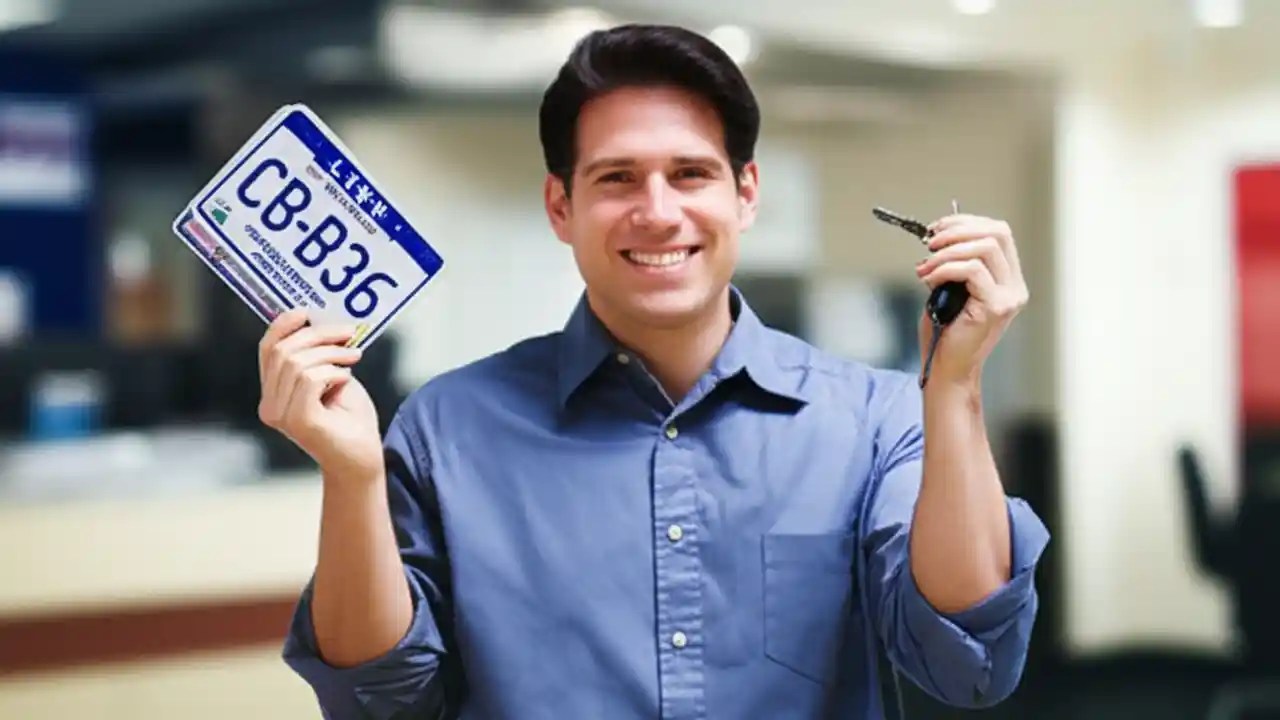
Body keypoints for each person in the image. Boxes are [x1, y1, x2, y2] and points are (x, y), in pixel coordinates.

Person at [261, 23, 1049, 720]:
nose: (658, 211)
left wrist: (955, 385)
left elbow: (967, 662)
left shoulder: (875, 420)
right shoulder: (446, 427)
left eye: (691, 174)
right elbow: (381, 706)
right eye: (616, 178)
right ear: (560, 206)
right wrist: (352, 475)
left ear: (745, 194)